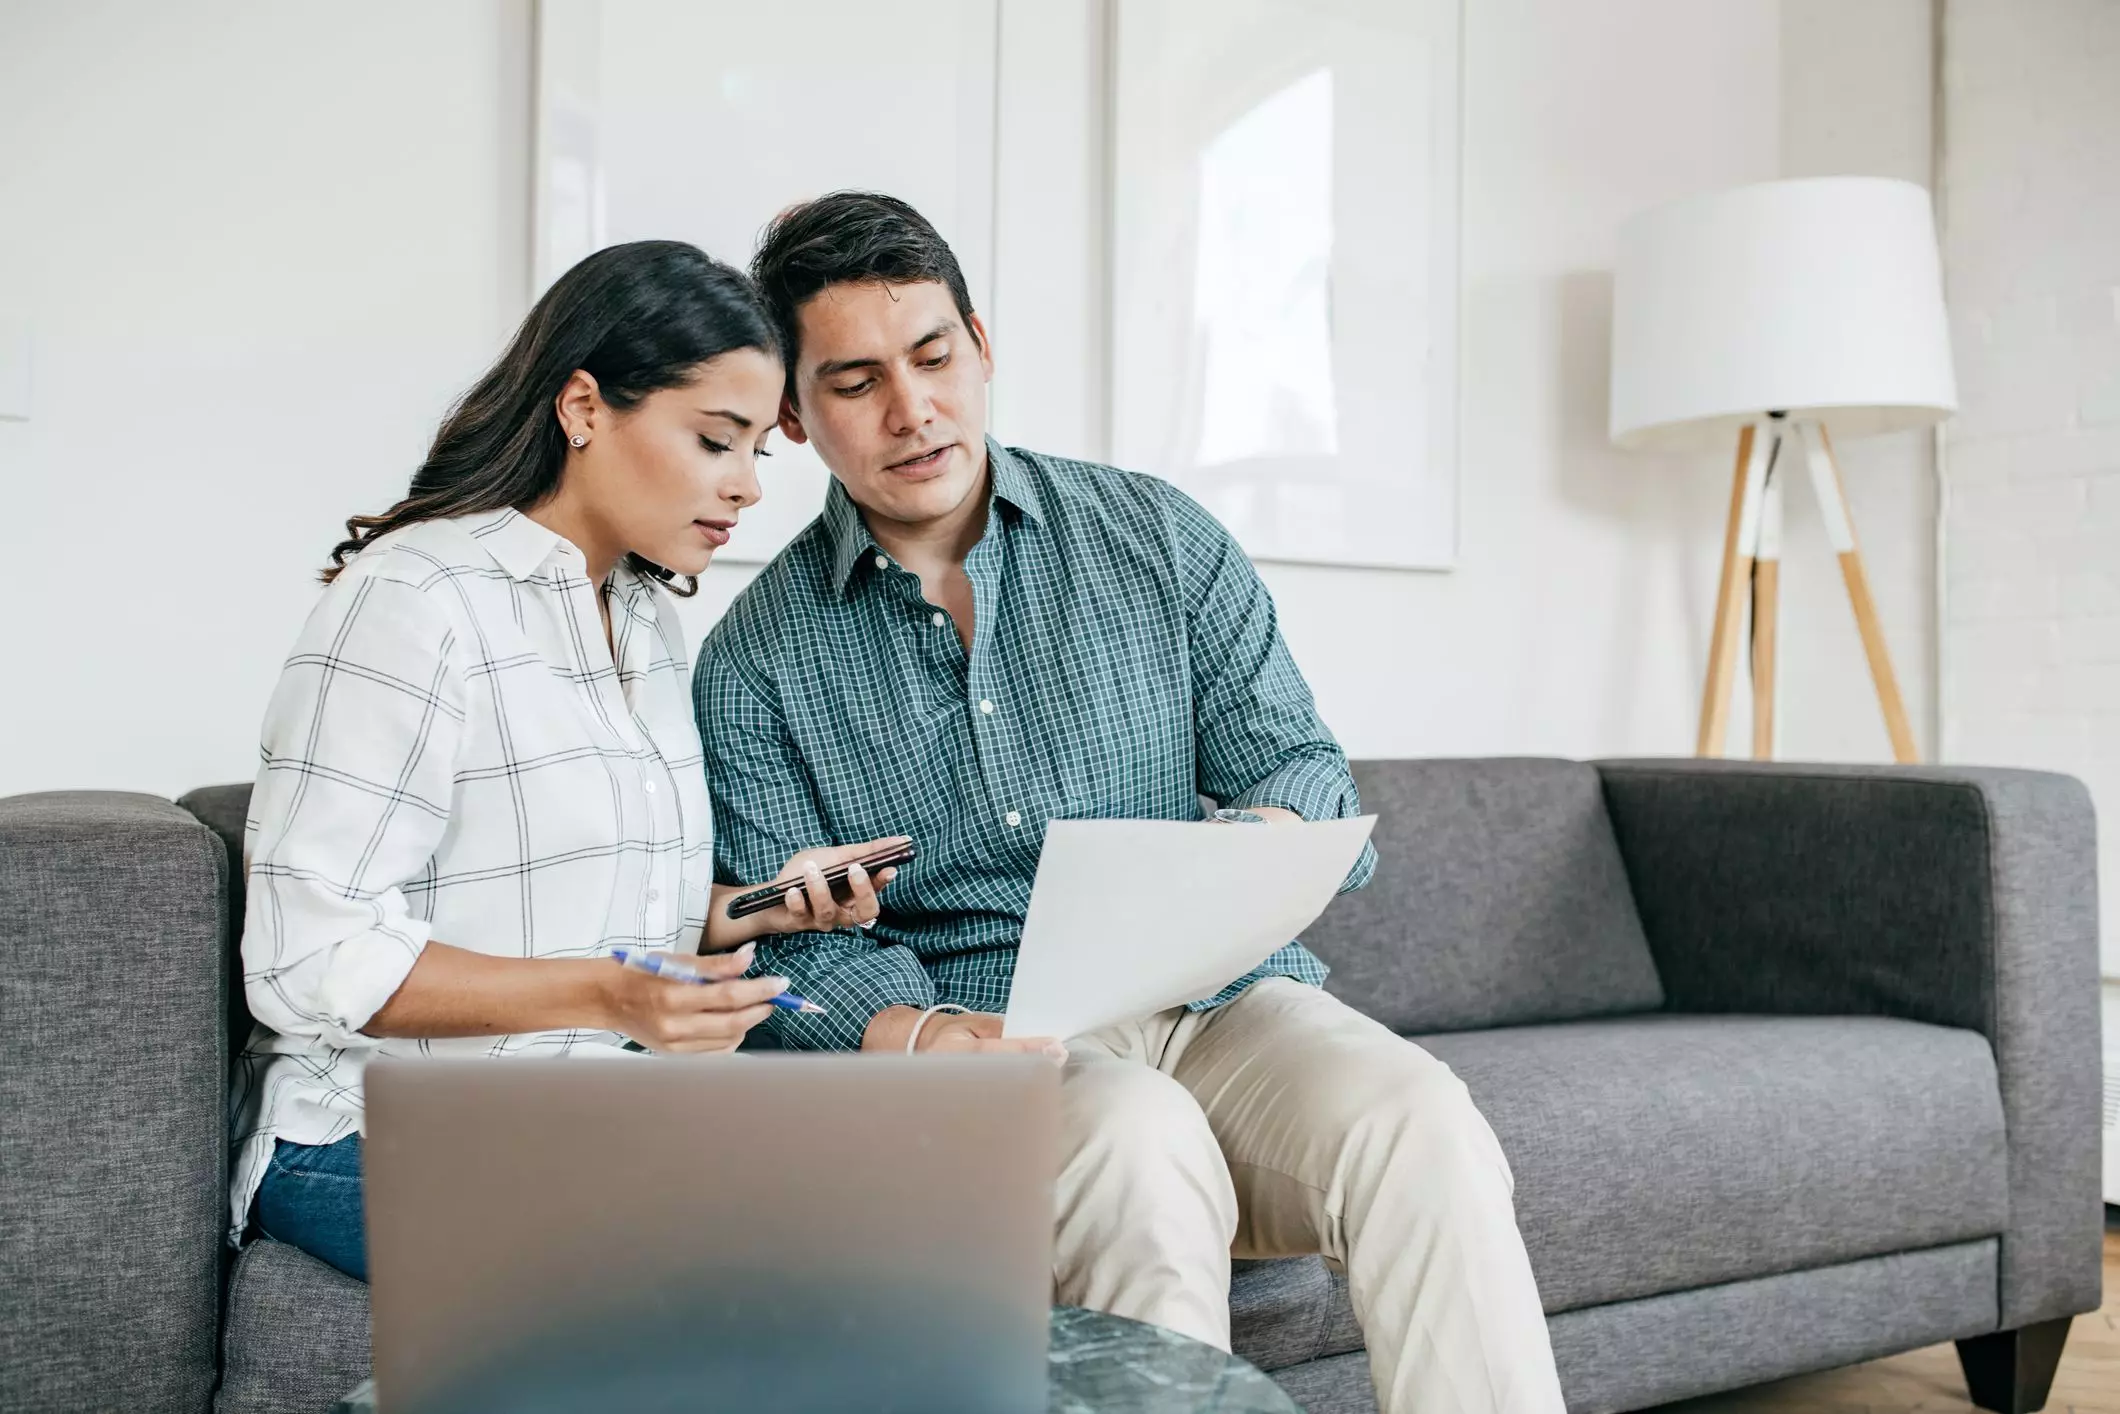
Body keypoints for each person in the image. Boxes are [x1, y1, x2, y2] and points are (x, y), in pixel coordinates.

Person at [694, 194, 1568, 1414]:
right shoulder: (752, 661)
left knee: (1421, 1117)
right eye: (854, 381)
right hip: (988, 1044)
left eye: (934, 357)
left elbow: (1300, 767)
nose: (913, 409)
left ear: (981, 344)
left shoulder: (1153, 535)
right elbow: (781, 972)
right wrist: (901, 1018)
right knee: (1139, 1142)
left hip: (1215, 1002)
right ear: (792, 412)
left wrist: (1254, 847)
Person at [229, 240, 905, 1282]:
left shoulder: (639, 616)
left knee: (904, 1213)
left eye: (755, 454)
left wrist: (764, 906)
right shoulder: (414, 604)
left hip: (589, 1112)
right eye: (715, 440)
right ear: (583, 407)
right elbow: (308, 958)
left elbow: (607, 921)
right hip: (374, 1135)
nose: (744, 488)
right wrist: (607, 998)